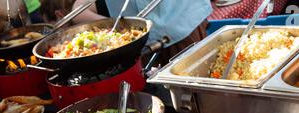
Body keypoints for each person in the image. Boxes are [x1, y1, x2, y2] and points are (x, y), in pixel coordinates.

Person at [71, 0, 213, 65]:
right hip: (140, 46)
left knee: (197, 92)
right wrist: (115, 27)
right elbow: (78, 10)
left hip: (183, 28)